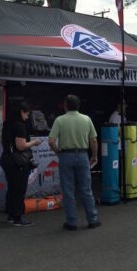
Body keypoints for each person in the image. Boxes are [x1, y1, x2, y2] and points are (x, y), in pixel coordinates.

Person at [49, 95, 100, 231]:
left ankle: (72, 222)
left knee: (68, 190)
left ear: (65, 105)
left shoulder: (59, 120)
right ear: (78, 106)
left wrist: (58, 153)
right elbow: (93, 140)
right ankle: (92, 220)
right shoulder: (86, 119)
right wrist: (94, 156)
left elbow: (51, 141)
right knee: (86, 189)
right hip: (83, 155)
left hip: (65, 156)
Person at [1, 102, 43, 226]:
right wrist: (34, 142)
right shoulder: (19, 126)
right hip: (18, 162)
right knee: (19, 189)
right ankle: (18, 217)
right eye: (26, 112)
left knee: (12, 188)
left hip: (7, 158)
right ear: (21, 112)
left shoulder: (6, 125)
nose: (28, 115)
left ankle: (11, 214)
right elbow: (21, 146)